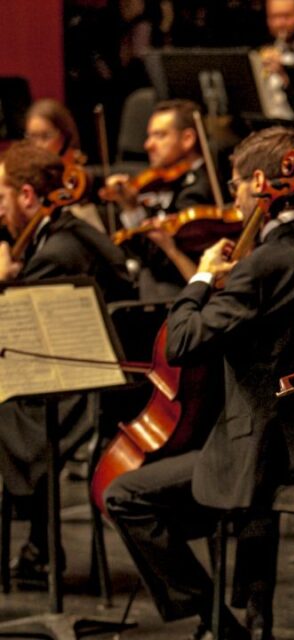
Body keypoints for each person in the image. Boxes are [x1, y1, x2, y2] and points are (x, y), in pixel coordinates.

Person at [103, 126, 294, 640]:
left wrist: (202, 278)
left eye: (233, 187)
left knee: (125, 496)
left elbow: (183, 341)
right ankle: (253, 612)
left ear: (258, 182)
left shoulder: (262, 266)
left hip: (262, 457)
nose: (232, 200)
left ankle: (219, 622)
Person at [0, 141, 133, 587]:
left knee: (9, 409)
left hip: (89, 386)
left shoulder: (61, 250)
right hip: (88, 374)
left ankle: (40, 548)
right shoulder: (65, 232)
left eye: (1, 196)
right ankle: (38, 545)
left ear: (27, 197)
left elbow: (20, 324)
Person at [103, 99, 214, 298]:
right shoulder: (167, 181)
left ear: (188, 139)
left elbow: (162, 263)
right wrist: (131, 207)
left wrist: (133, 211)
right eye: (149, 136)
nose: (148, 145)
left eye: (160, 135)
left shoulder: (197, 191)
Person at [25, 98, 105, 233]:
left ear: (65, 136)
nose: (38, 145)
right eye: (32, 137)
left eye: (45, 136)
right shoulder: (26, 174)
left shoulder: (75, 176)